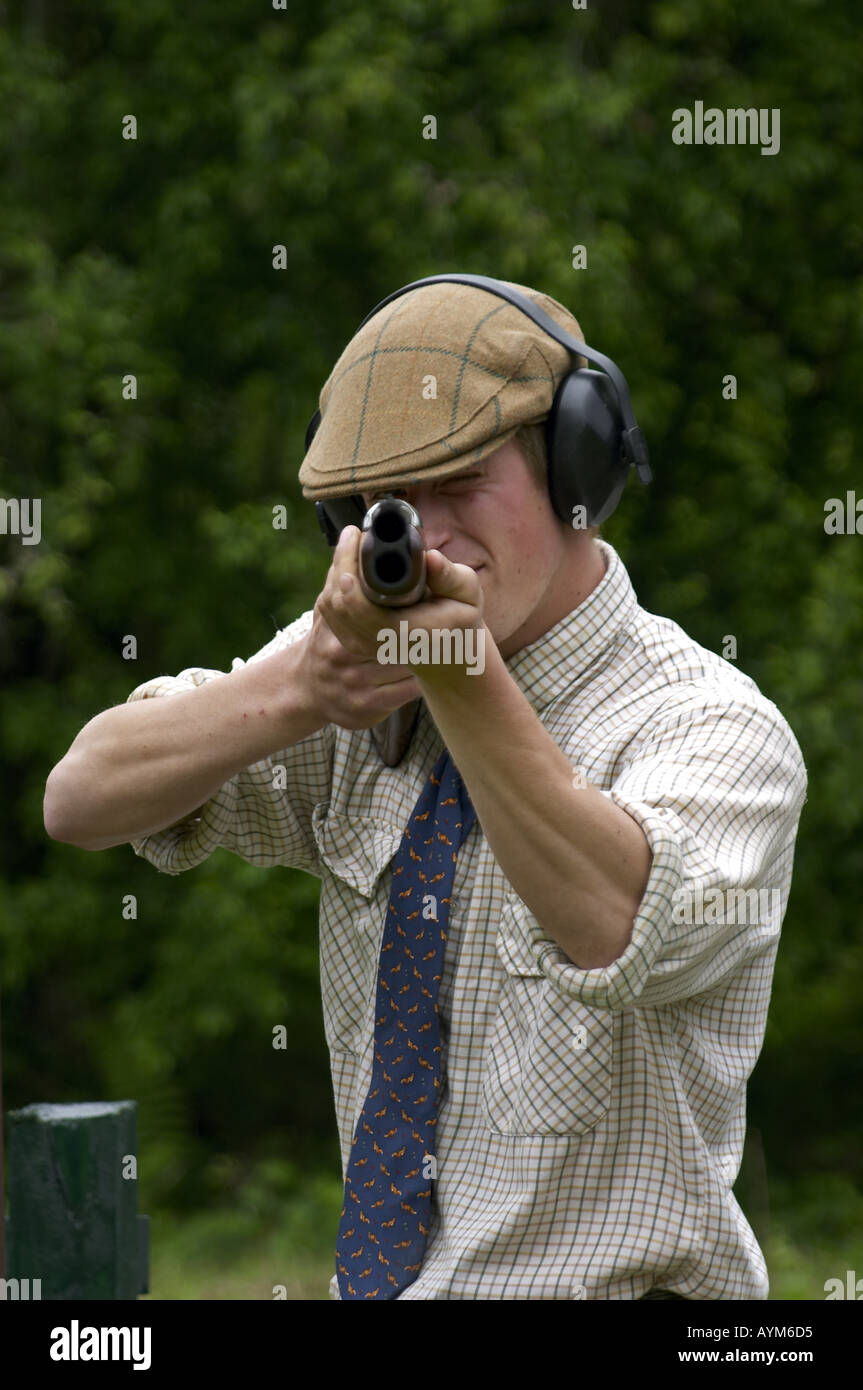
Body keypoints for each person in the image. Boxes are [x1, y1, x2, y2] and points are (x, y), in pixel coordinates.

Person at [43, 277, 807, 1300]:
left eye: (461, 480)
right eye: (390, 503)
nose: (429, 534)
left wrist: (465, 684)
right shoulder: (352, 673)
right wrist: (294, 690)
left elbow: (612, 920)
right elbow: (82, 798)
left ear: (573, 463)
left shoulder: (710, 726)